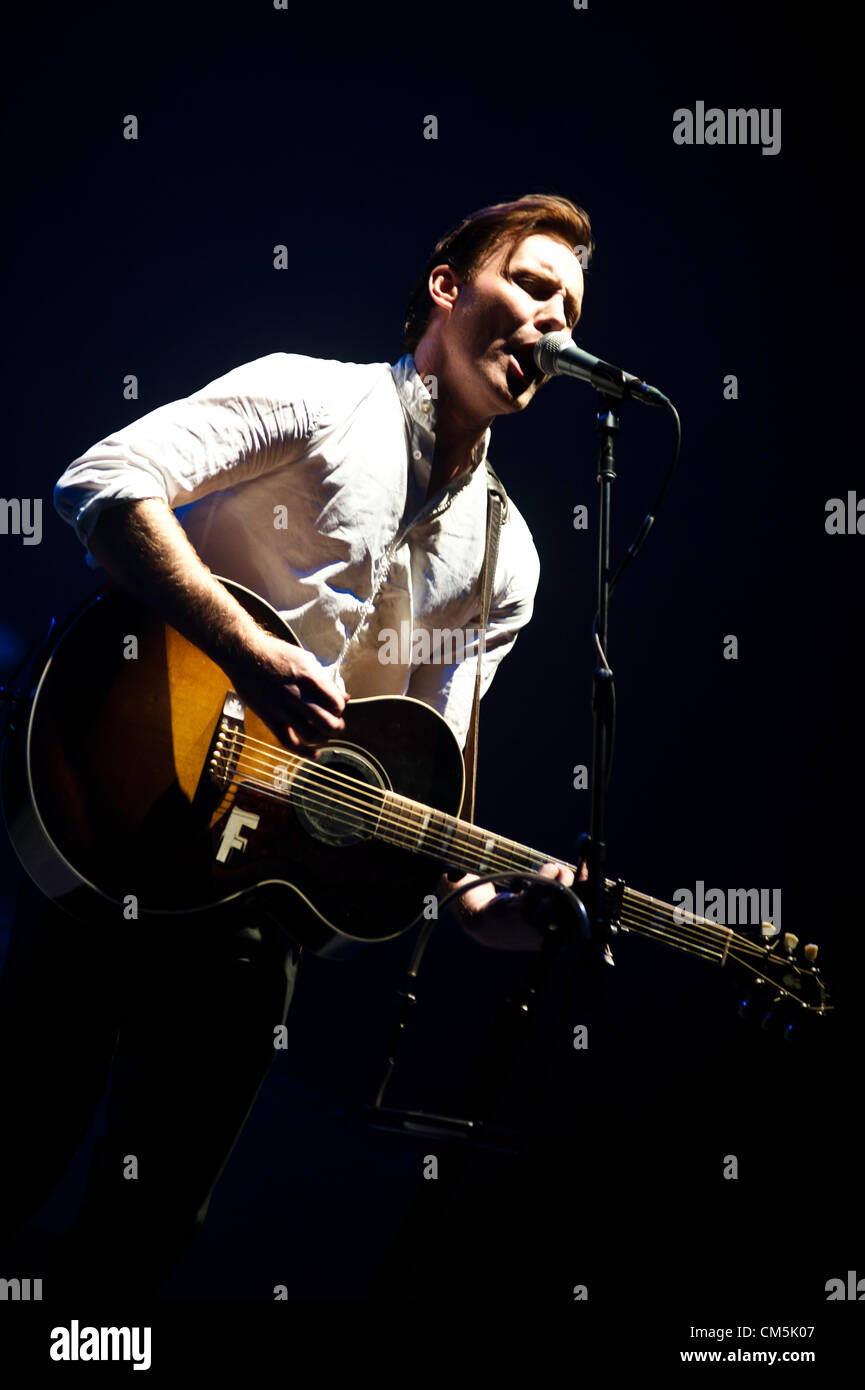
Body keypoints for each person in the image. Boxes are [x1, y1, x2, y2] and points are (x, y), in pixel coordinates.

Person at [0, 193, 589, 1298]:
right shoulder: (313, 396)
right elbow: (99, 482)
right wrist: (243, 651)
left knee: (150, 1224)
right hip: (118, 813)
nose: (556, 323)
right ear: (448, 285)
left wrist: (503, 906)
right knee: (18, 1136)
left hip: (257, 906)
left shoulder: (510, 563)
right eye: (535, 286)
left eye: (573, 308)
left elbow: (431, 788)